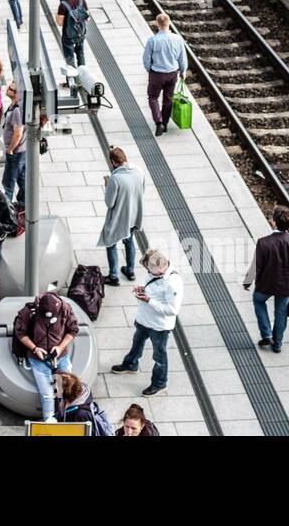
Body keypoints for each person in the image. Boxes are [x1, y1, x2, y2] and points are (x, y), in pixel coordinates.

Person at [112, 248, 183, 396]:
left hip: (159, 326)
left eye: (149, 270)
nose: (148, 273)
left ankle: (159, 383)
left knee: (159, 355)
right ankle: (131, 364)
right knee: (137, 342)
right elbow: (154, 288)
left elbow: (172, 310)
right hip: (144, 319)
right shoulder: (155, 274)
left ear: (160, 268)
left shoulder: (173, 282)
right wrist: (144, 290)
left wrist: (149, 300)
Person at [243, 205, 289, 353]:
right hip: (287, 285)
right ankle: (277, 344)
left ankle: (266, 334)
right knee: (281, 312)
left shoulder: (264, 243)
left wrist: (247, 281)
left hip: (267, 283)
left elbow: (256, 266)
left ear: (274, 222)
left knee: (258, 300)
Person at [13, 291, 79, 421]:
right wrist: (35, 348)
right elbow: (20, 333)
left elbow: (73, 330)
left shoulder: (65, 309)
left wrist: (59, 348)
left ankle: (65, 420)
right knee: (47, 395)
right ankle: (49, 426)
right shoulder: (28, 312)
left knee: (64, 390)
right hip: (37, 357)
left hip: (60, 356)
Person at [100, 146, 144, 285]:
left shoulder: (116, 178)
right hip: (133, 214)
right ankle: (130, 270)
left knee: (111, 243)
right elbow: (142, 191)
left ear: (113, 162)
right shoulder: (139, 171)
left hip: (119, 217)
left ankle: (114, 276)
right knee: (129, 240)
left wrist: (107, 185)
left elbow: (109, 203)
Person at [142, 12, 188, 136]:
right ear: (169, 24)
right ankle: (165, 123)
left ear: (158, 25)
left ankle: (159, 122)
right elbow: (182, 58)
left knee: (153, 97)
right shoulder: (177, 39)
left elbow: (146, 58)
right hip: (172, 74)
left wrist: (149, 68)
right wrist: (183, 71)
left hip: (156, 74)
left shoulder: (153, 40)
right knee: (168, 99)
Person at [0, 81, 26, 212]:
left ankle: (6, 210)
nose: (7, 88)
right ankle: (24, 204)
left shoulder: (17, 110)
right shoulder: (15, 105)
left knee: (8, 182)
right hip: (20, 151)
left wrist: (10, 149)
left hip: (15, 152)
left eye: (10, 88)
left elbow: (18, 133)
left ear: (16, 94)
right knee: (22, 178)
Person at [56, 0, 90, 69]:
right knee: (81, 54)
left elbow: (59, 22)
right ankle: (83, 76)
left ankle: (73, 80)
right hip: (80, 34)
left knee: (69, 58)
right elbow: (88, 18)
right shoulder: (82, 2)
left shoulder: (63, 5)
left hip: (68, 36)